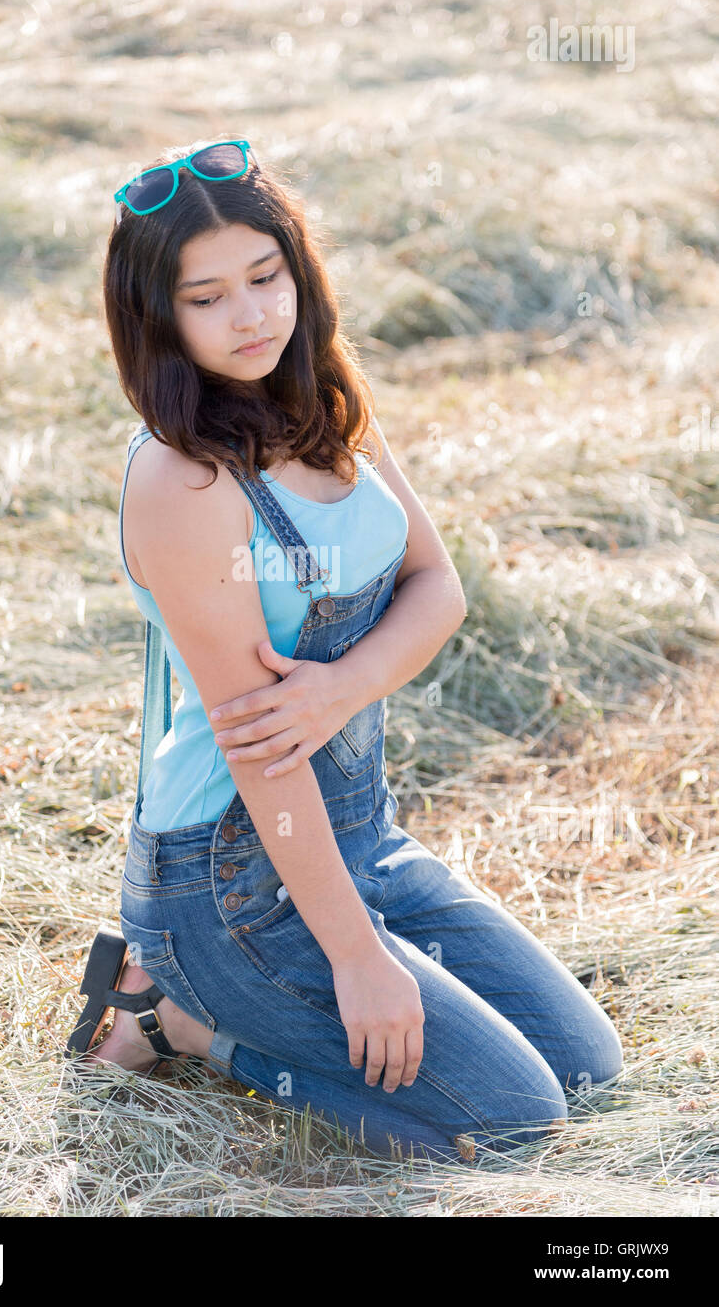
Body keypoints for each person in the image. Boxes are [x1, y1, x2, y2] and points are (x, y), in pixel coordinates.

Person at [67, 138, 623, 1164]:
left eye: (266, 277)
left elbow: (437, 584)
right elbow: (263, 751)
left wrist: (341, 688)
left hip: (357, 833)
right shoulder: (184, 483)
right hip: (230, 882)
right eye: (206, 298)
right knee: (516, 1119)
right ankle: (185, 1021)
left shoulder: (322, 401)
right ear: (156, 316)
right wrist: (359, 958)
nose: (251, 316)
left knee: (591, 1067)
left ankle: (223, 997)